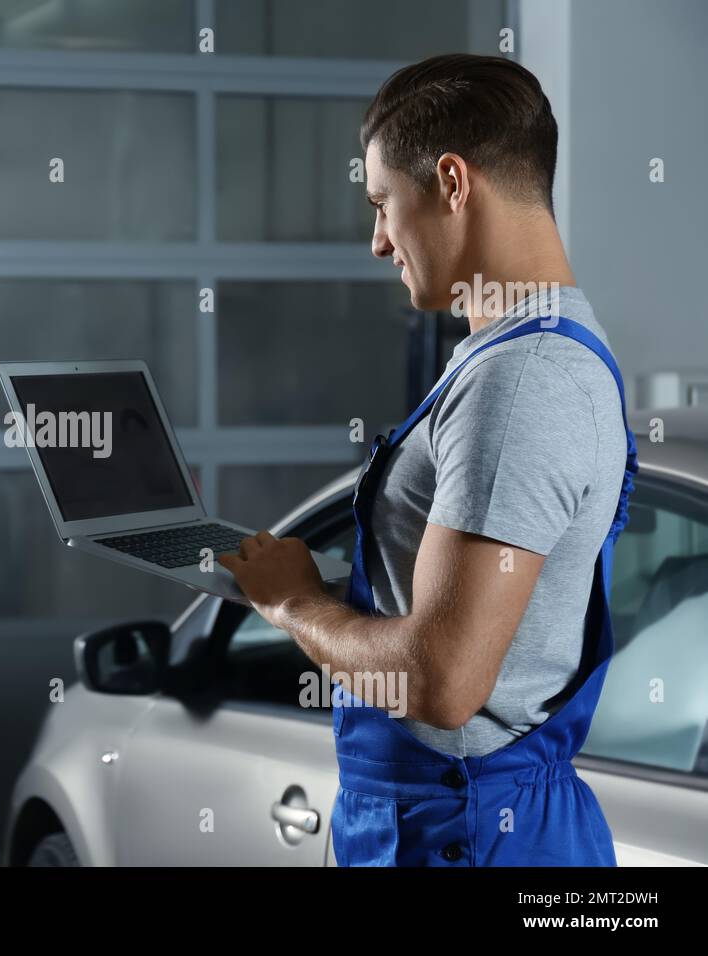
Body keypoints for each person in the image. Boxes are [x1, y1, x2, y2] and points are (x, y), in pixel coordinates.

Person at [219, 54, 638, 866]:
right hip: (467, 819)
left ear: (451, 182)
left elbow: (442, 684)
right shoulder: (520, 353)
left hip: (466, 832)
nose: (377, 242)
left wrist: (295, 606)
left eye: (382, 204)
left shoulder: (520, 383)